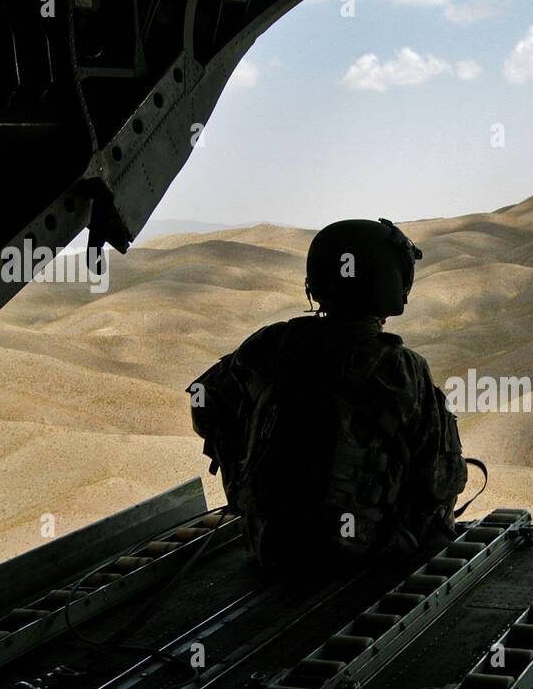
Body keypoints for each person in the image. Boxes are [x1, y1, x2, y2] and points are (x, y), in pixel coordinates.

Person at [187, 218, 469, 573]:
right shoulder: (402, 367)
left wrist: (243, 471)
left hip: (271, 545)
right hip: (361, 554)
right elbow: (440, 481)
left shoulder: (275, 343)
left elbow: (204, 401)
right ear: (388, 280)